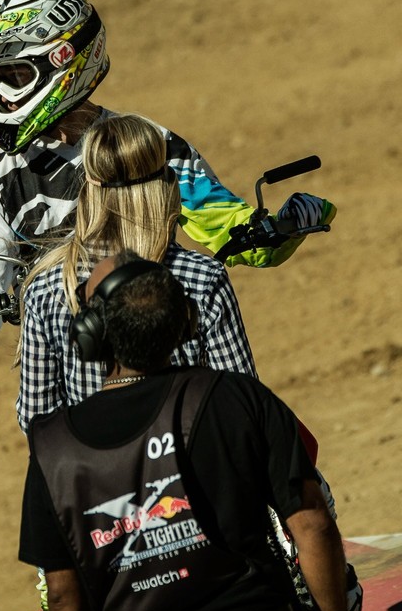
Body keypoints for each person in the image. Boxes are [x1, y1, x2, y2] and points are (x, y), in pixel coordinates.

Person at [0, 0, 333, 350]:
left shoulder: (143, 146)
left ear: (63, 59)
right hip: (60, 357)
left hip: (156, 343)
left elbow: (232, 232)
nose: (1, 94)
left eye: (15, 75)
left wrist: (283, 225)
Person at [20, 252, 364, 611]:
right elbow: (313, 524)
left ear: (93, 333)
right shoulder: (237, 398)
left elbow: (62, 594)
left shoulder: (53, 446)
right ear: (184, 322)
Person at [16, 112, 256, 433]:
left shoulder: (47, 287)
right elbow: (243, 403)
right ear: (166, 185)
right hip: (189, 458)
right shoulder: (202, 278)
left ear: (88, 188)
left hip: (91, 461)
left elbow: (36, 420)